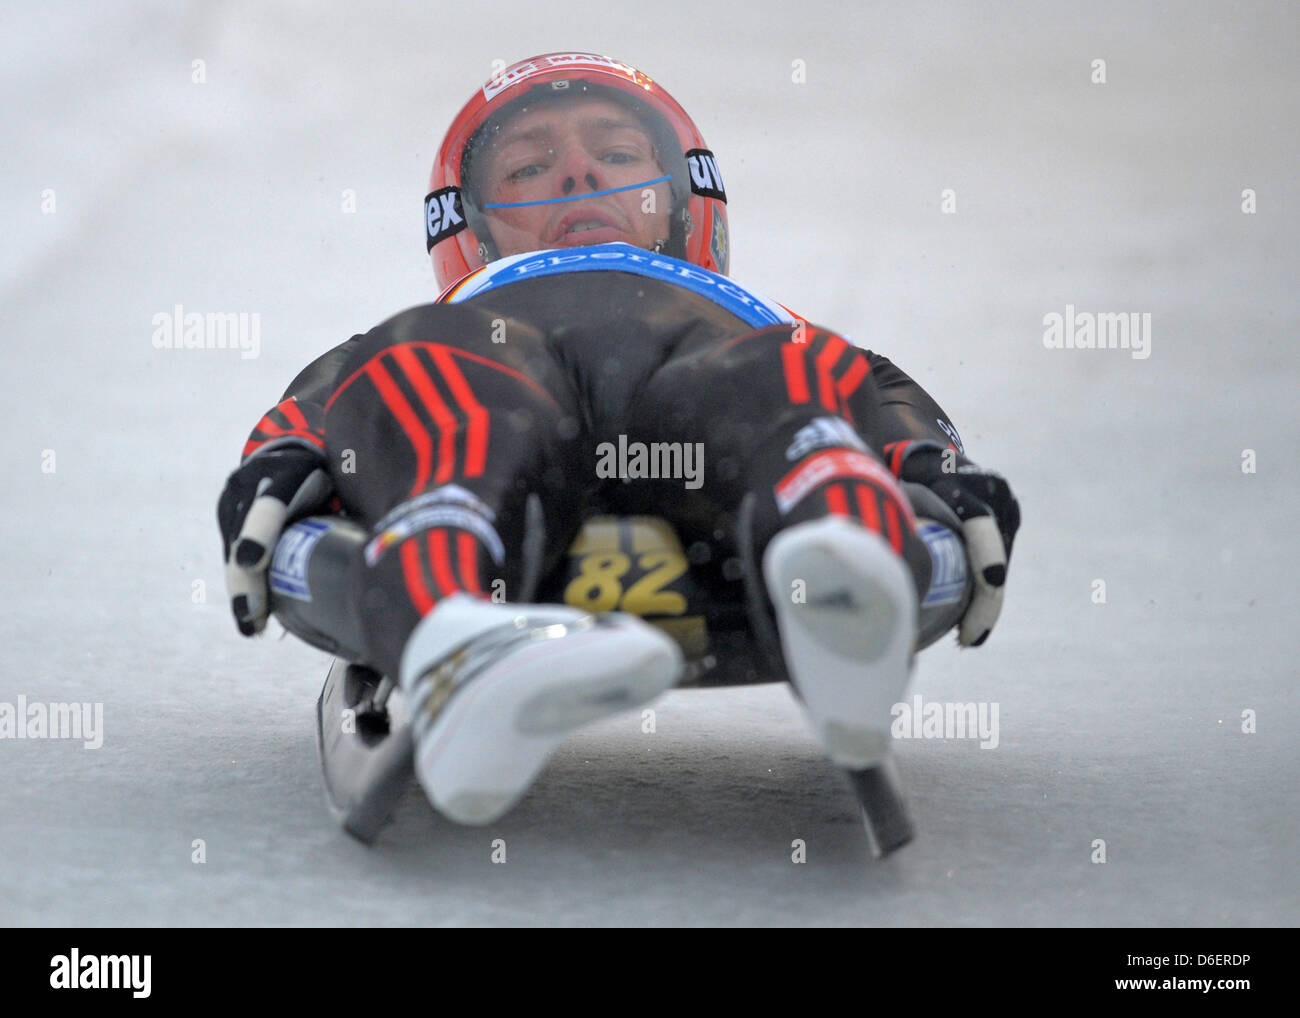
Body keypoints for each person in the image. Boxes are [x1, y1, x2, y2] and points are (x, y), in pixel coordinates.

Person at [217, 52, 1020, 828]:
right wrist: (278, 461)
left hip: (701, 374)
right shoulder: (432, 337)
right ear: (471, 227)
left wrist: (937, 467)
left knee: (794, 371)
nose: (578, 175)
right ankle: (458, 646)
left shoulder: (762, 326)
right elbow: (321, 411)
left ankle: (841, 569)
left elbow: (887, 404)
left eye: (617, 153)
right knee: (427, 375)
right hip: (501, 365)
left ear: (683, 196)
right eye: (530, 168)